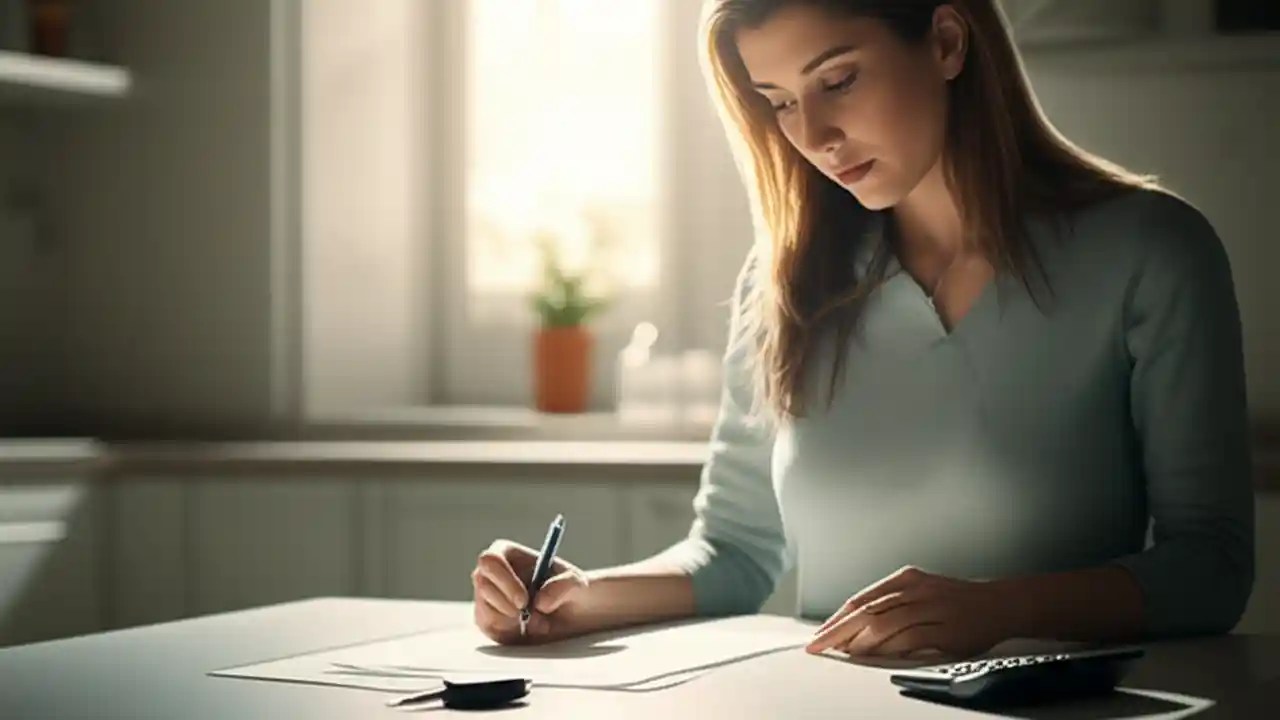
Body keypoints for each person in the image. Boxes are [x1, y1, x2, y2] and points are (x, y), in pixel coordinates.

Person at [469, 0, 1254, 661]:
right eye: (778, 101)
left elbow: (1211, 568)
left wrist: (997, 613)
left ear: (947, 43)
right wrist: (575, 597)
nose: (812, 135)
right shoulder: (782, 282)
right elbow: (735, 553)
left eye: (838, 80)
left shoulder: (1152, 252)